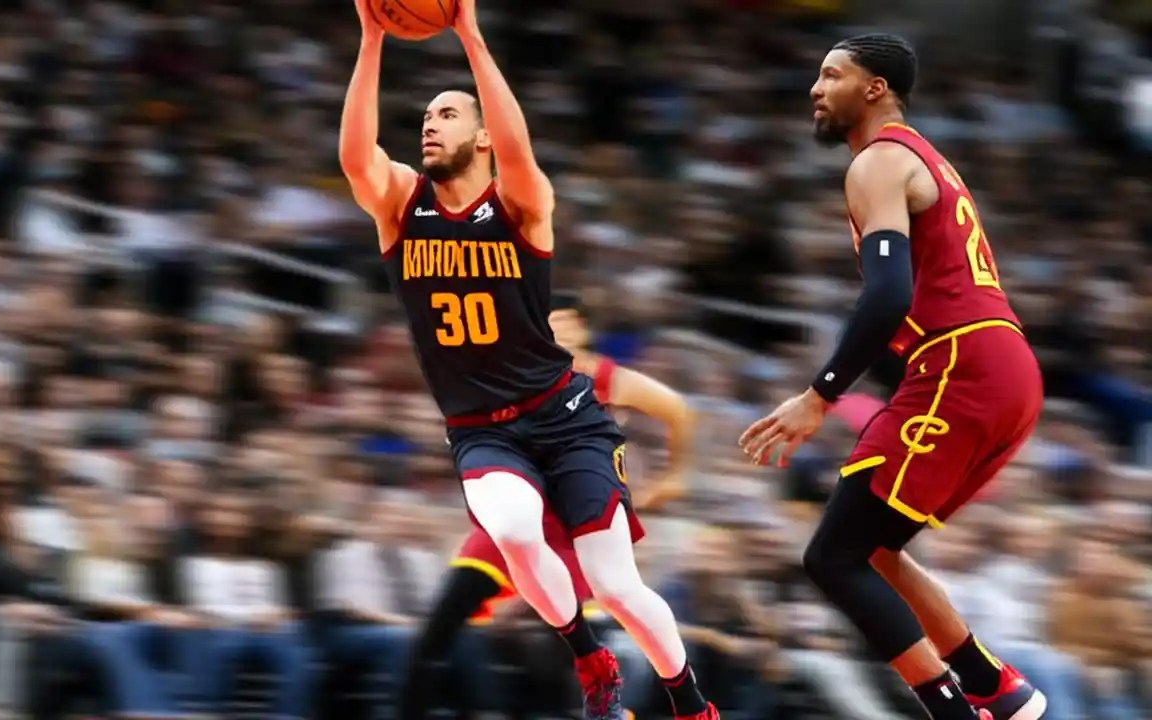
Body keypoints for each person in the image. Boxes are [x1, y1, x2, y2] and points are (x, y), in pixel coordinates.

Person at [338, 0, 716, 717]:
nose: (429, 122)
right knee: (510, 529)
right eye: (426, 115)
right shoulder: (401, 205)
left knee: (617, 586)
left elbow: (519, 151)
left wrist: (471, 34)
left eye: (448, 114)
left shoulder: (521, 203)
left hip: (564, 418)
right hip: (481, 427)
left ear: (482, 139)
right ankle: (588, 657)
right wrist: (370, 37)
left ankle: (691, 702)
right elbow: (356, 158)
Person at [739, 34, 1046, 720]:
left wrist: (819, 395)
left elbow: (888, 297)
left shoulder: (879, 161)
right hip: (1001, 367)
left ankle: (953, 710)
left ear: (875, 89)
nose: (815, 89)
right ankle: (997, 687)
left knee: (831, 559)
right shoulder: (923, 158)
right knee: (872, 549)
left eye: (831, 75)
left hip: (961, 364)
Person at [400, 292, 694, 720]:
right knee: (438, 627)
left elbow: (678, 410)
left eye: (559, 320)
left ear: (581, 329)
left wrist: (675, 476)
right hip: (514, 514)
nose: (547, 328)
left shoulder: (601, 376)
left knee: (559, 652)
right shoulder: (510, 365)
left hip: (570, 530)